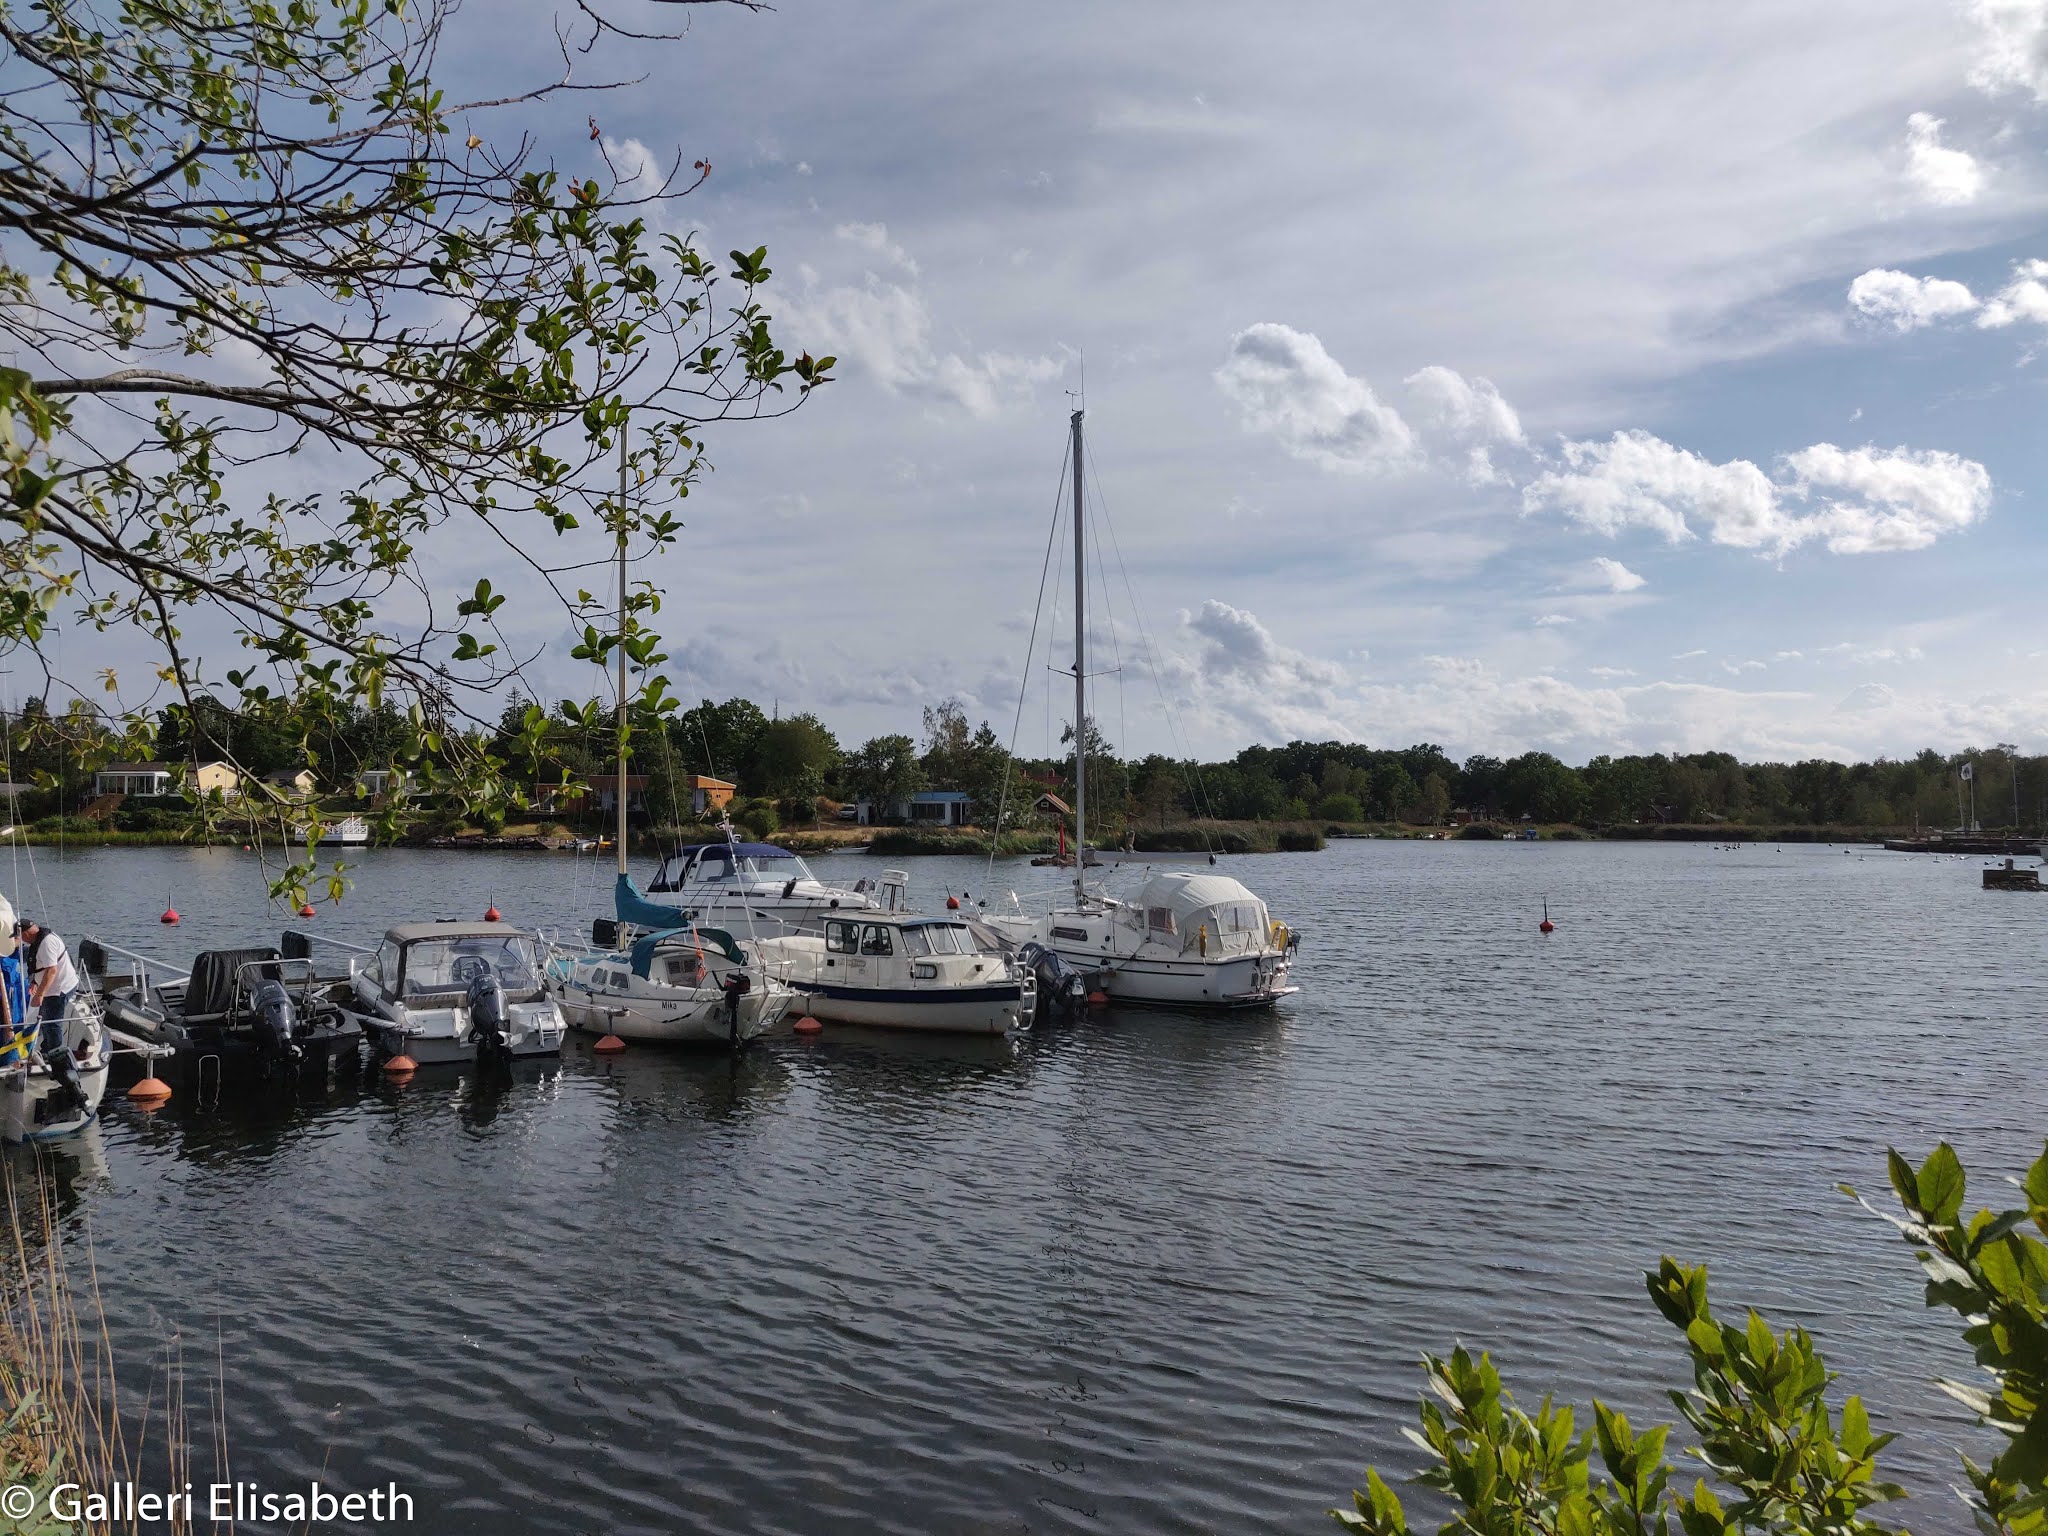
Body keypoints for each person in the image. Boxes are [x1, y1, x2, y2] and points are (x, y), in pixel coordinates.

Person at [19, 918, 80, 1058]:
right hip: (50, 988)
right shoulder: (37, 940)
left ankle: (55, 1054)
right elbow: (38, 964)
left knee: (52, 1022)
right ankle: (46, 1048)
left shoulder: (47, 942)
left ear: (26, 934)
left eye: (21, 936)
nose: (22, 940)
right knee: (45, 1017)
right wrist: (34, 982)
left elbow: (52, 970)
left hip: (60, 988)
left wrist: (40, 995)